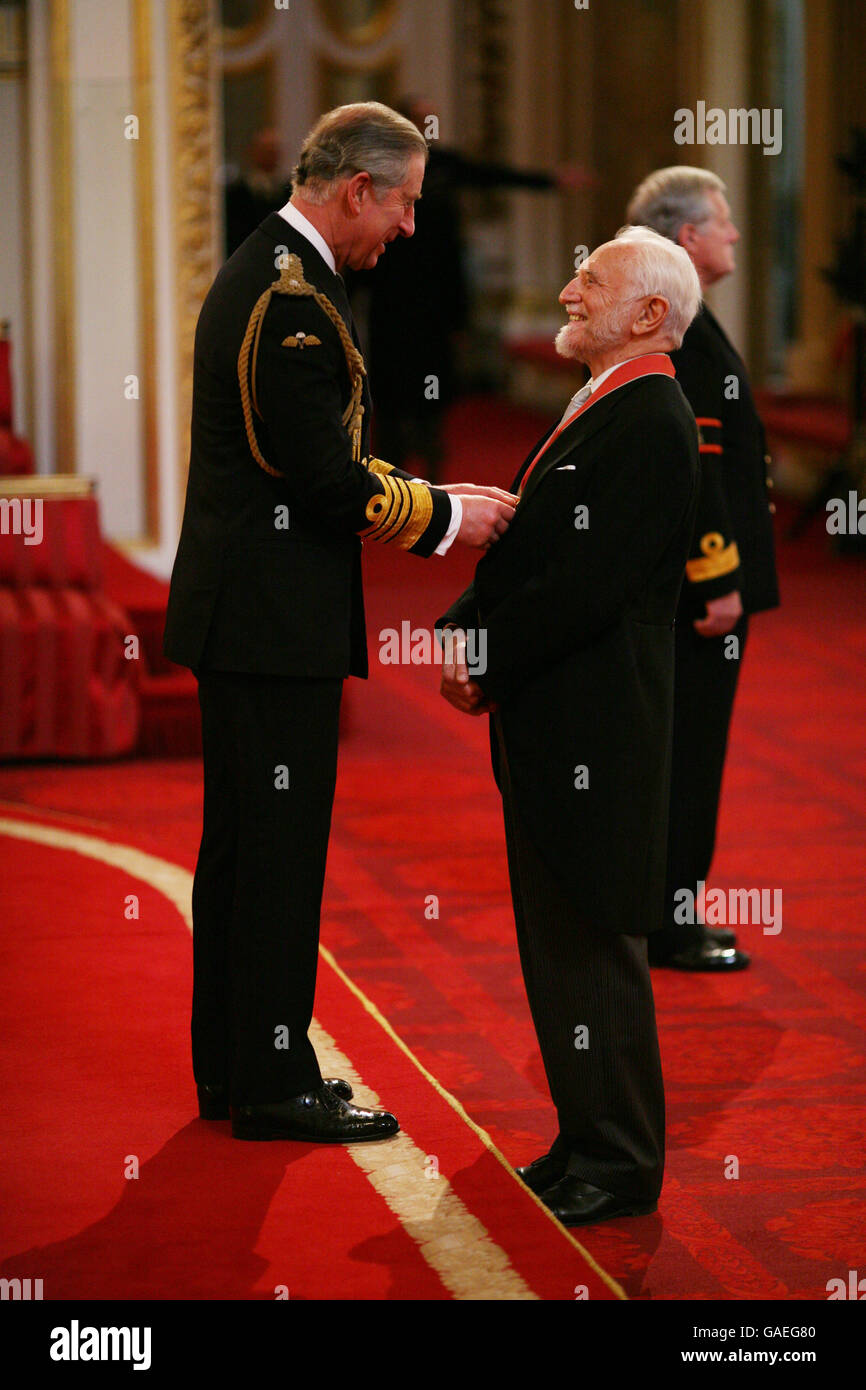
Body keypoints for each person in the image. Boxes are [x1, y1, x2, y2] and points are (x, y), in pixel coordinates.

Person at [164, 102, 516, 1144]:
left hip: (247, 615)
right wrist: (447, 513)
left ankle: (234, 1067)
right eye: (403, 205)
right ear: (358, 189)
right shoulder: (297, 302)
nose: (408, 229)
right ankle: (273, 1080)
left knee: (240, 850)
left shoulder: (276, 273)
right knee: (273, 853)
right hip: (271, 625)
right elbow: (322, 479)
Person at [437, 226, 702, 1226]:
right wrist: (468, 631)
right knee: (558, 941)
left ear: (645, 315)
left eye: (588, 282)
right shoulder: (606, 399)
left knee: (593, 940)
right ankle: (582, 1135)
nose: (564, 292)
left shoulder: (648, 416)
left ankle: (622, 1159)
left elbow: (586, 587)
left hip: (600, 724)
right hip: (559, 716)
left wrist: (487, 659)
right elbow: (529, 541)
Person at [626, 167, 779, 971]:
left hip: (693, 584)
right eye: (723, 223)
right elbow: (700, 467)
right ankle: (669, 918)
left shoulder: (684, 315)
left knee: (686, 750)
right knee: (687, 755)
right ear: (688, 235)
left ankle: (669, 907)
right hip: (698, 591)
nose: (734, 235)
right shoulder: (680, 324)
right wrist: (717, 576)